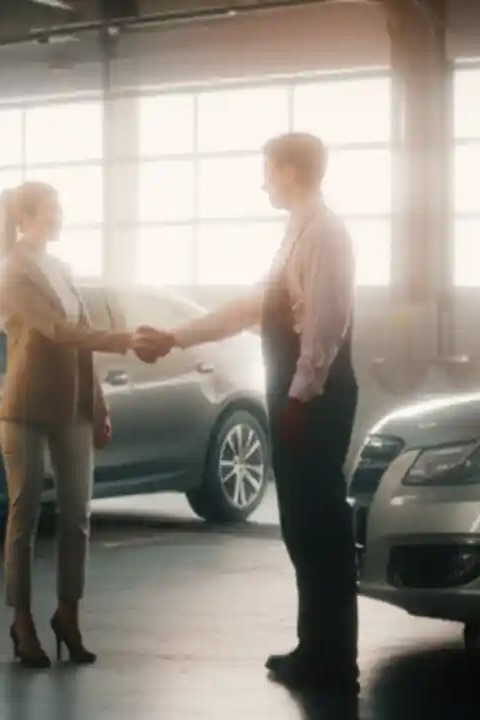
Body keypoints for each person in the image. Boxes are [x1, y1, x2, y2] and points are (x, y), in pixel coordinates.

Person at [137, 132, 360, 691]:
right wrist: (175, 336)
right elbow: (247, 308)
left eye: (267, 168)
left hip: (315, 396)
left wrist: (299, 399)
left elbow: (325, 331)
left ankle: (337, 662)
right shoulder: (295, 235)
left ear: (289, 170)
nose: (262, 179)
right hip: (296, 393)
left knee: (320, 526)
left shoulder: (326, 234)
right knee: (300, 527)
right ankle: (316, 649)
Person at [0, 181, 146, 668]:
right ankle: (22, 621)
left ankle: (68, 615)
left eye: (60, 209)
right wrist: (125, 338)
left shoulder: (62, 270)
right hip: (26, 409)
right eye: (49, 212)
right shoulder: (12, 272)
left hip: (74, 409)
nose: (58, 218)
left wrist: (98, 404)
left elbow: (78, 345)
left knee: (77, 516)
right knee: (26, 514)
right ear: (25, 219)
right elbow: (59, 333)